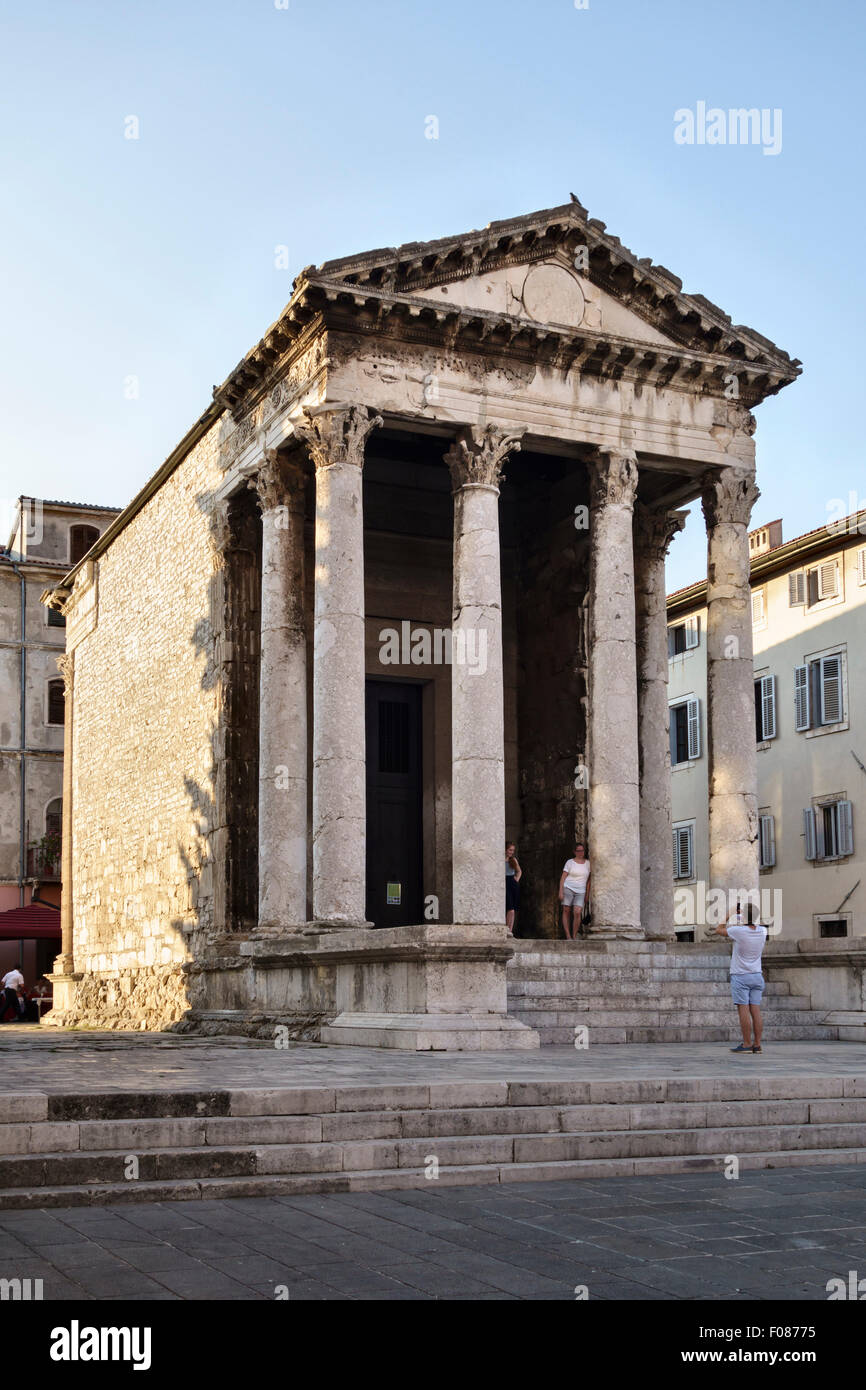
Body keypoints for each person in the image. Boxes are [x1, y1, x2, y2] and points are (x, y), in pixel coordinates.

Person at [715, 901, 768, 1053]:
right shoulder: (763, 931)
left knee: (743, 1009)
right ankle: (757, 1044)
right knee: (756, 1010)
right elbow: (754, 925)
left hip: (741, 975)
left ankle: (746, 1043)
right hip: (757, 975)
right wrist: (746, 917)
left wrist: (729, 913)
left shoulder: (738, 931)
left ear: (744, 916)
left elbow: (718, 929)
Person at [559, 843, 591, 941]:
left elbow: (589, 880)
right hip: (568, 887)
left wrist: (587, 894)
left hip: (581, 890)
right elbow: (563, 877)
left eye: (582, 851)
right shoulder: (570, 862)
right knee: (566, 910)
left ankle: (574, 935)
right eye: (578, 851)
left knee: (577, 912)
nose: (581, 853)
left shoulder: (588, 863)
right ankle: (568, 936)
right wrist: (560, 891)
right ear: (575, 852)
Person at [505, 842, 522, 935]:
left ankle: (509, 931)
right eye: (510, 850)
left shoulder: (513, 860)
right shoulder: (499, 860)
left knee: (512, 909)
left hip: (512, 883)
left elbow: (519, 871)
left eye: (513, 850)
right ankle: (506, 930)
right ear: (505, 849)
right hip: (504, 883)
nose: (511, 852)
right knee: (510, 908)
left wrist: (516, 879)